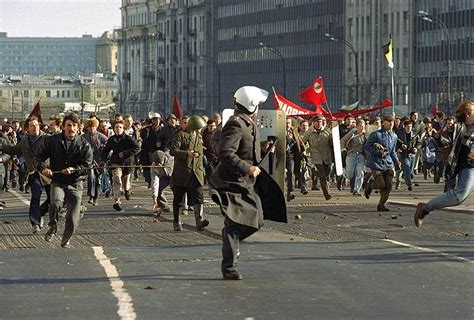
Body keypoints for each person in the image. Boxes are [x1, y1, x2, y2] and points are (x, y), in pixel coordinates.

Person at [209, 85, 269, 280]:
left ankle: (230, 240)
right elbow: (226, 153)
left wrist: (264, 147)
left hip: (245, 182)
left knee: (256, 220)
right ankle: (229, 267)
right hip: (230, 182)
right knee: (235, 224)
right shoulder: (236, 124)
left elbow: (246, 148)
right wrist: (247, 167)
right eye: (258, 104)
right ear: (251, 105)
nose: (259, 107)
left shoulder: (247, 123)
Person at [34, 113, 93, 247]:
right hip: (58, 180)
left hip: (75, 182)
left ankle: (65, 239)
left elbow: (87, 165)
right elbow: (38, 157)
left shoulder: (84, 145)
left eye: (74, 126)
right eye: (68, 125)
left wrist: (74, 168)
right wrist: (43, 168)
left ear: (78, 128)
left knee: (72, 218)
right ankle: (53, 226)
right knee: (55, 203)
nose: (71, 128)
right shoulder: (52, 141)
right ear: (63, 127)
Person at [415, 99, 474, 227]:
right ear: (468, 114)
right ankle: (425, 208)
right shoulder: (458, 128)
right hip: (469, 167)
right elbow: (444, 141)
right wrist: (436, 137)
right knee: (459, 196)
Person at [1, 116, 51, 233]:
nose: (35, 127)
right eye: (32, 126)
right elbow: (13, 150)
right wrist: (2, 146)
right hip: (34, 173)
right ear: (27, 129)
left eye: (37, 125)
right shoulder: (24, 141)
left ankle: (41, 212)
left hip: (48, 173)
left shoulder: (47, 138)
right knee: (35, 196)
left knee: (53, 198)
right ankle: (35, 223)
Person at [169, 115, 209, 231]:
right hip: (182, 173)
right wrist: (187, 153)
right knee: (178, 199)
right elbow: (173, 151)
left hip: (196, 172)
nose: (200, 129)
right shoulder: (180, 135)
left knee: (199, 197)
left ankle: (199, 220)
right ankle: (176, 221)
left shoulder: (198, 137)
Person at [101, 120, 140, 212]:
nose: (118, 129)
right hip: (116, 163)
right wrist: (103, 160)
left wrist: (125, 153)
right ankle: (117, 201)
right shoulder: (111, 139)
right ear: (114, 129)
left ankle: (127, 190)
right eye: (116, 127)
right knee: (117, 180)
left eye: (120, 127)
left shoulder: (128, 138)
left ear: (123, 128)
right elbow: (105, 151)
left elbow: (137, 148)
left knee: (126, 183)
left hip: (128, 164)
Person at [363, 115, 401, 212]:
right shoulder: (376, 134)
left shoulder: (394, 136)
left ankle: (381, 205)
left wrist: (396, 161)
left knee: (388, 185)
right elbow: (367, 146)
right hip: (376, 162)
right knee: (380, 184)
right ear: (383, 123)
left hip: (388, 163)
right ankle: (370, 185)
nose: (391, 123)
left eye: (392, 122)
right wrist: (377, 152)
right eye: (388, 121)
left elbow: (392, 151)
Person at [302, 114, 333, 200]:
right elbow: (302, 142)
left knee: (327, 175)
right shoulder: (309, 132)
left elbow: (332, 143)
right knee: (323, 176)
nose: (319, 123)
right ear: (313, 123)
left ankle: (315, 173)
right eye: (317, 122)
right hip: (316, 157)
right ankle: (327, 194)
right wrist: (303, 151)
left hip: (327, 156)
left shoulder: (328, 131)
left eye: (321, 121)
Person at [82, 118, 108, 206]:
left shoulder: (102, 136)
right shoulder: (83, 137)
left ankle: (96, 197)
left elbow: (109, 147)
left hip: (99, 161)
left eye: (93, 126)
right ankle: (91, 196)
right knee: (91, 177)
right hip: (89, 161)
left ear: (96, 127)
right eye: (89, 127)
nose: (91, 128)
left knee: (98, 180)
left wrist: (103, 148)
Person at [340, 118, 367, 196]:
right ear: (357, 126)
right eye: (361, 126)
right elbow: (343, 140)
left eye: (363, 126)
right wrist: (343, 149)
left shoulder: (365, 134)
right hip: (351, 155)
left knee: (360, 173)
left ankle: (356, 190)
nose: (362, 128)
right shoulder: (352, 133)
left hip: (360, 156)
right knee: (350, 175)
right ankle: (342, 173)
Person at [395, 120, 421, 191]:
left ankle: (398, 181)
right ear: (404, 126)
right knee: (406, 168)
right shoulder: (399, 134)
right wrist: (399, 148)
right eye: (408, 127)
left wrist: (416, 148)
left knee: (405, 170)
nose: (409, 128)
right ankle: (409, 184)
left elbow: (419, 143)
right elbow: (395, 142)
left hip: (411, 155)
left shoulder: (415, 134)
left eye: (410, 127)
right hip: (403, 154)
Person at [150, 149, 173, 214]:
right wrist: (154, 199)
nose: (158, 164)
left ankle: (183, 206)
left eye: (160, 162)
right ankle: (164, 207)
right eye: (156, 163)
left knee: (178, 188)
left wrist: (163, 167)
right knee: (158, 188)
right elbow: (154, 182)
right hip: (164, 176)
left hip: (175, 174)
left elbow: (170, 173)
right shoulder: (153, 166)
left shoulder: (171, 158)